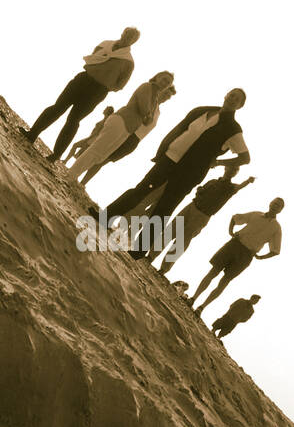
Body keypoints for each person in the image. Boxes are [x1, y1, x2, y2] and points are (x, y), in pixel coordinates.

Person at [104, 88, 251, 257]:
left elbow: (245, 158)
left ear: (240, 106)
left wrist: (217, 162)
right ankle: (105, 217)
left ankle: (139, 250)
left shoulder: (233, 129)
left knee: (164, 207)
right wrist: (161, 151)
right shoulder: (202, 110)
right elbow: (179, 130)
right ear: (226, 95)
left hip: (190, 173)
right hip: (169, 158)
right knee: (141, 189)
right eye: (232, 95)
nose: (233, 99)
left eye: (237, 99)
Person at [26, 28, 139, 161]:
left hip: (98, 91)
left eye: (132, 37)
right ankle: (32, 134)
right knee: (57, 107)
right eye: (127, 33)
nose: (128, 37)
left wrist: (104, 82)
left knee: (74, 120)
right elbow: (92, 58)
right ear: (123, 33)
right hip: (83, 79)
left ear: (134, 41)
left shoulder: (129, 62)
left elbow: (120, 85)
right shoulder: (105, 44)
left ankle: (56, 155)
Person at [70, 73, 175, 184]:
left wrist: (149, 113)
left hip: (128, 129)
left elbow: (148, 121)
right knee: (96, 149)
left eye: (168, 83)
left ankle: (74, 176)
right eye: (164, 79)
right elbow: (144, 110)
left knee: (101, 155)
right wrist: (148, 113)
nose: (165, 83)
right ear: (157, 77)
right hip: (121, 120)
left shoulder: (155, 98)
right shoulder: (147, 87)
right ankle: (71, 174)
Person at [190, 199, 283, 314]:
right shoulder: (256, 214)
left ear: (280, 210)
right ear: (270, 203)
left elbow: (276, 250)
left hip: (247, 255)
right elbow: (235, 218)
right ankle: (193, 298)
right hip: (234, 244)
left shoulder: (276, 228)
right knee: (213, 272)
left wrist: (261, 257)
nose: (275, 206)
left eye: (278, 206)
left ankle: (202, 307)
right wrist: (231, 231)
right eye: (274, 203)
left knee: (225, 281)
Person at [156, 164, 254, 272]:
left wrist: (248, 181)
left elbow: (239, 187)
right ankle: (151, 256)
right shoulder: (213, 181)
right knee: (170, 231)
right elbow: (200, 190)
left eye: (235, 170)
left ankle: (163, 269)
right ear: (226, 168)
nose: (232, 170)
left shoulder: (230, 188)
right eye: (231, 167)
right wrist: (200, 192)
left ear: (236, 173)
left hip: (203, 215)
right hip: (191, 207)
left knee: (182, 241)